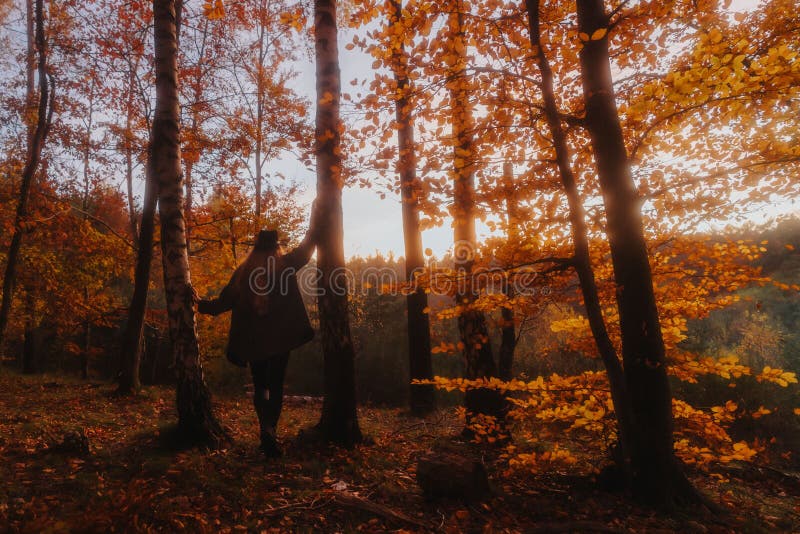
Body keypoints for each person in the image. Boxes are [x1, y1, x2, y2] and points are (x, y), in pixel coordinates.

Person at [197, 204, 319, 457]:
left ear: (255, 248)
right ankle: (269, 432)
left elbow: (222, 304)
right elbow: (306, 251)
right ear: (276, 247)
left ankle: (265, 429)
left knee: (262, 385)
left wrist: (199, 303)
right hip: (279, 341)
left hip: (255, 344)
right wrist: (315, 221)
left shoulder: (243, 273)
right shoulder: (285, 265)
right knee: (275, 386)